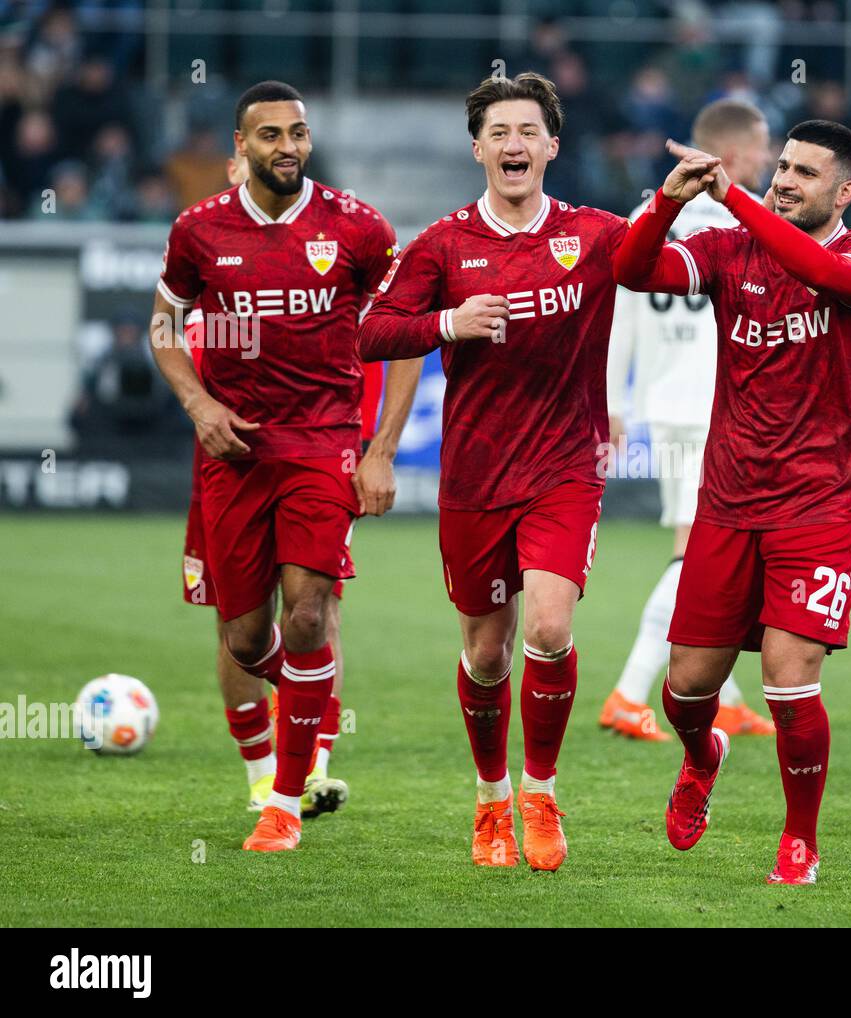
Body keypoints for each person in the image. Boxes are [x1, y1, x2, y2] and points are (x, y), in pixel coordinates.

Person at [613, 120, 851, 884]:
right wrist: (666, 207)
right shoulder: (725, 251)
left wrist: (735, 196)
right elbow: (631, 271)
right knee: (686, 688)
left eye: (806, 172)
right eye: (782, 166)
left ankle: (799, 842)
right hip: (730, 499)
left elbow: (826, 278)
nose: (786, 178)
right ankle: (703, 753)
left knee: (788, 675)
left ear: (844, 192)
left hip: (824, 504)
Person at [356, 73, 628, 872]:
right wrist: (448, 322)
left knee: (549, 626)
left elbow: (665, 256)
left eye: (528, 132)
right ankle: (490, 800)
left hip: (565, 466)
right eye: (499, 133)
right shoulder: (442, 245)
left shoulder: (597, 233)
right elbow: (371, 332)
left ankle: (540, 793)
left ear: (552, 146)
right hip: (474, 475)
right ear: (478, 149)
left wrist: (682, 199)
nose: (514, 145)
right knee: (487, 653)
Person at [151, 80, 412, 853]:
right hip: (232, 454)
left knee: (309, 612)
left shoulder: (359, 228)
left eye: (298, 133)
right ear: (241, 147)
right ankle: (302, 707)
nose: (288, 147)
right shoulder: (198, 231)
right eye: (270, 135)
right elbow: (165, 327)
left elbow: (401, 338)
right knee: (241, 635)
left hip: (322, 444)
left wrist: (381, 450)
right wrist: (199, 406)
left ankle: (284, 801)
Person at [602, 97, 775, 742]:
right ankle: (627, 692)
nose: (769, 159)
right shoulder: (744, 223)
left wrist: (617, 399)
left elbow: (618, 314)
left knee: (715, 550)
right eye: (762, 148)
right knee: (694, 553)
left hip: (674, 409)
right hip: (712, 414)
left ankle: (723, 697)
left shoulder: (652, 216)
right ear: (730, 155)